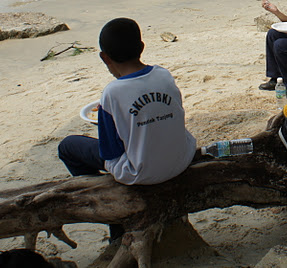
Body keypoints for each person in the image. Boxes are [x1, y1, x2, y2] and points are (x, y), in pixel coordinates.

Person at [58, 18, 197, 239]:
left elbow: (110, 152)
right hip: (181, 160)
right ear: (142, 48)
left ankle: (110, 208)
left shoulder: (112, 93)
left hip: (141, 172)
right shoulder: (164, 75)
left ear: (104, 57)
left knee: (68, 147)